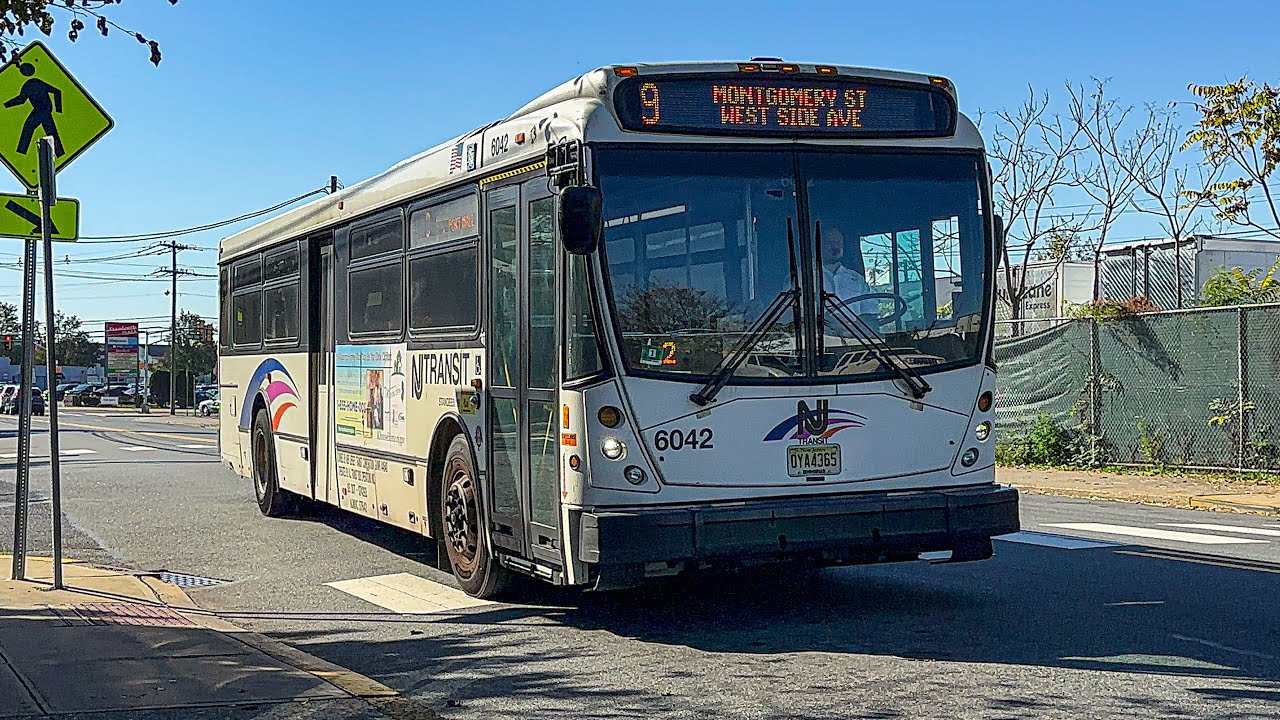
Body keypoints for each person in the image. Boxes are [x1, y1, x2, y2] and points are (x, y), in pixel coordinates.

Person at [821, 227, 879, 321]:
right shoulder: (802, 278)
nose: (835, 247)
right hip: (817, 335)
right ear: (819, 245)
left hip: (855, 335)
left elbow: (870, 314)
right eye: (829, 243)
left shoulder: (857, 279)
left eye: (838, 243)